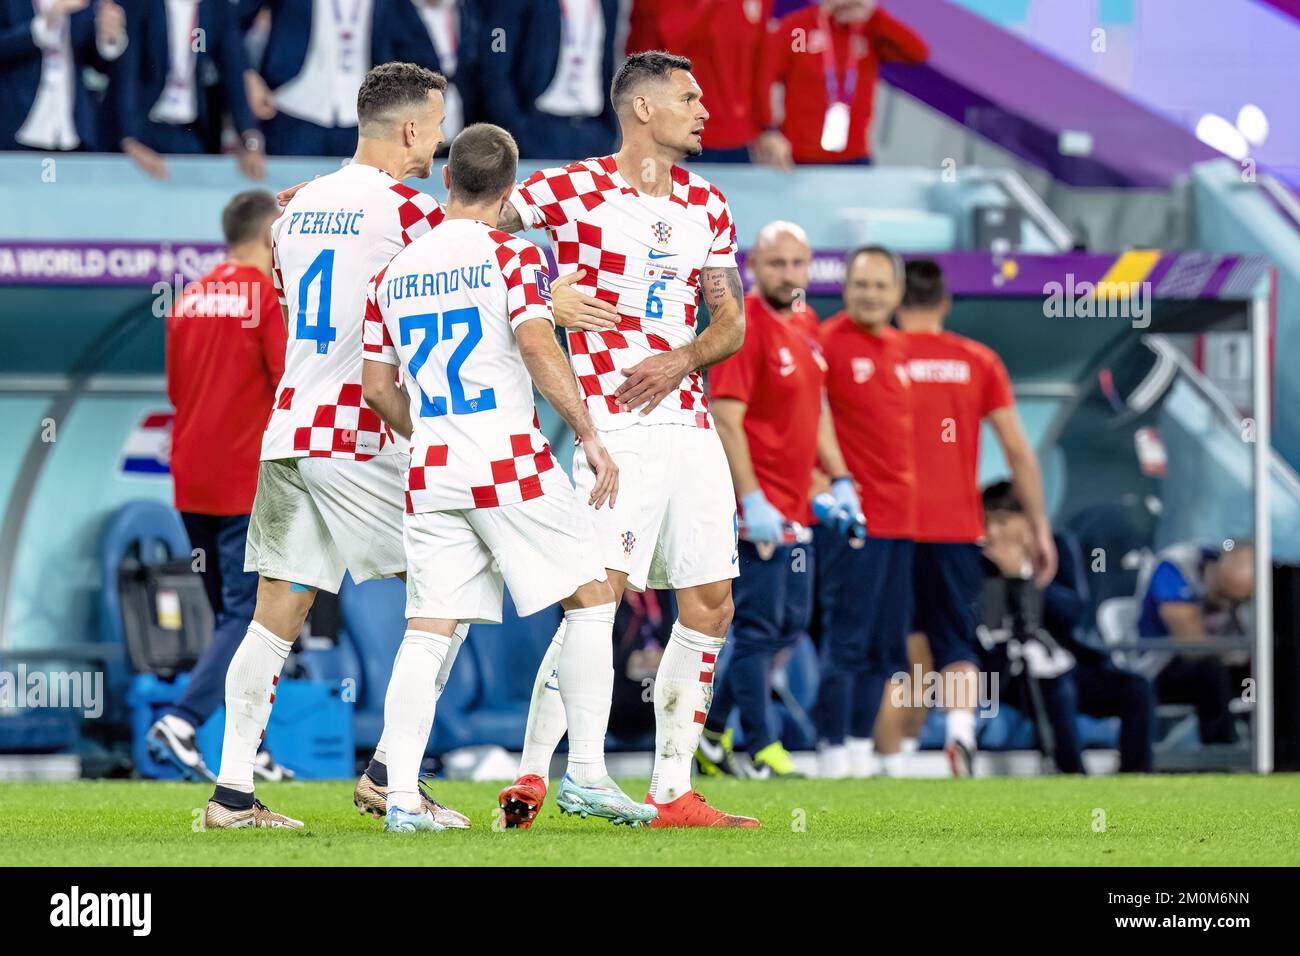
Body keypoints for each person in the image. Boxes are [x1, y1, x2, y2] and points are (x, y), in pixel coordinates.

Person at [360, 122, 656, 832]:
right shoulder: (512, 254)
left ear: (445, 181)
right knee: (591, 595)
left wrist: (433, 433)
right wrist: (587, 432)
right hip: (508, 459)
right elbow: (533, 341)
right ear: (511, 191)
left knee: (426, 632)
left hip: (430, 469)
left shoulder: (392, 273)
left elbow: (376, 388)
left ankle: (400, 798)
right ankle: (584, 774)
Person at [203, 62, 469, 830]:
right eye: (438, 121)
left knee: (274, 615)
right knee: (454, 578)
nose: (443, 138)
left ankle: (231, 796)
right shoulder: (411, 213)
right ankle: (393, 776)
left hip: (291, 425)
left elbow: (297, 308)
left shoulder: (294, 210)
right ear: (412, 129)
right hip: (359, 430)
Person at [495, 50, 757, 828]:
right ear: (642, 109)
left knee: (711, 603)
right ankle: (536, 775)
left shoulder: (708, 202)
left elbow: (732, 320)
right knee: (596, 599)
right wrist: (541, 293)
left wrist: (681, 357)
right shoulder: (571, 187)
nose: (705, 110)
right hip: (614, 426)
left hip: (690, 425)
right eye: (689, 96)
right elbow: (468, 233)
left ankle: (671, 788)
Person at [698, 220, 856, 779]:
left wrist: (839, 478)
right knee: (762, 628)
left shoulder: (808, 323)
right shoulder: (746, 328)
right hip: (759, 509)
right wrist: (751, 501)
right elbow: (727, 417)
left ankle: (712, 736)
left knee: (790, 624)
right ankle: (761, 747)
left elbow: (817, 414)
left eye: (797, 264)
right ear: (754, 267)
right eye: (776, 264)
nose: (788, 274)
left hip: (799, 506)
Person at [149, 190, 292, 784]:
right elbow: (287, 382)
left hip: (191, 479)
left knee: (228, 617)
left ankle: (249, 746)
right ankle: (181, 722)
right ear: (269, 238)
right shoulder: (264, 297)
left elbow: (178, 392)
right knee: (249, 615)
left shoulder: (188, 297)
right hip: (242, 480)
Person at [897, 258, 1056, 776]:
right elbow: (1018, 452)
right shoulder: (978, 361)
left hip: (887, 525)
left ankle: (891, 758)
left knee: (898, 648)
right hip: (956, 527)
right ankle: (961, 735)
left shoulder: (882, 355)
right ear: (945, 302)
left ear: (898, 301)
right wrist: (1040, 529)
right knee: (955, 640)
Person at [813, 245, 915, 779]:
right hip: (852, 519)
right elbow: (803, 423)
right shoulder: (826, 343)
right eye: (861, 284)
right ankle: (832, 752)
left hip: (903, 521)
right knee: (846, 639)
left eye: (881, 285)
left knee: (885, 645)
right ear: (845, 289)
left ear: (897, 294)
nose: (871, 295)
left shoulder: (904, 350)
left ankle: (861, 747)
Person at [980, 481, 1155, 774]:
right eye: (987, 522)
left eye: (1002, 521)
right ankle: (1072, 777)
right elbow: (992, 627)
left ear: (1029, 520)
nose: (993, 532)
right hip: (1007, 671)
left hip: (1063, 660)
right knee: (1058, 688)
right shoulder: (978, 563)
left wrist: (1026, 577)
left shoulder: (1056, 549)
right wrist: (1010, 577)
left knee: (1136, 689)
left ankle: (1136, 780)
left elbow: (1072, 612)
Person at [240, 0, 431, 156]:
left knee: (358, 199)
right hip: (293, 105)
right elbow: (233, 23)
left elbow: (416, 46)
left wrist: (421, 109)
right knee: (291, 198)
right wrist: (247, 73)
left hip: (365, 113)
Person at [759, 0, 927, 166]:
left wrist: (873, 14)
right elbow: (762, 79)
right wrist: (769, 130)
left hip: (855, 156)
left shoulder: (869, 27)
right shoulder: (798, 28)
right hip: (801, 157)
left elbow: (917, 52)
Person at [112, 0, 264, 180]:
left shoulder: (216, 8)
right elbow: (127, 73)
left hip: (191, 132)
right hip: (145, 127)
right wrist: (129, 139)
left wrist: (250, 138)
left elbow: (233, 71)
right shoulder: (143, 5)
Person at [1136, 539, 1254, 745]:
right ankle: (1219, 756)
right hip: (1163, 667)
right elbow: (1192, 646)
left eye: (1237, 602)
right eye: (1224, 596)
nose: (1227, 606)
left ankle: (1279, 750)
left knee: (1274, 666)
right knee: (1211, 673)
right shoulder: (1174, 567)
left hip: (1224, 661)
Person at [478, 0, 621, 159]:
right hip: (540, 129)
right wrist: (515, 127)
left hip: (594, 132)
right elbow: (496, 67)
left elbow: (607, 61)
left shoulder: (609, 4)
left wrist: (610, 130)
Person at [650, 0, 788, 166]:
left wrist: (767, 126)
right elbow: (672, 50)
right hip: (693, 132)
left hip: (742, 135)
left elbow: (761, 67)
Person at [1, 0, 127, 151]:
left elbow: (96, 62)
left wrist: (108, 36)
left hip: (72, 130)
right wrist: (44, 25)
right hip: (17, 126)